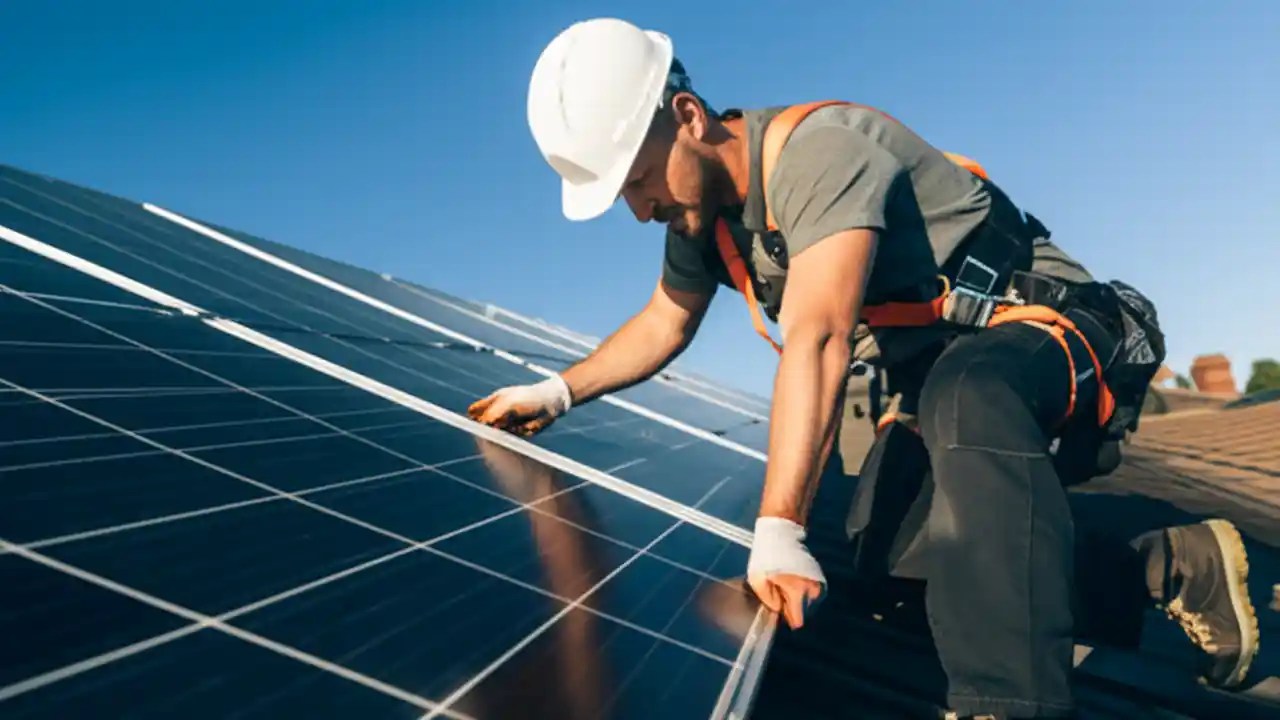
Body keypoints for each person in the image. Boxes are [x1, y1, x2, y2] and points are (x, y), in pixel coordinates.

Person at [467, 17, 1260, 719]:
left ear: (687, 117)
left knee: (965, 395)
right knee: (886, 568)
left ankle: (1012, 701)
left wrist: (776, 527)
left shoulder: (821, 151)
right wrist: (560, 389)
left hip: (1061, 334)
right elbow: (664, 322)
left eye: (638, 181)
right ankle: (1168, 564)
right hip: (941, 381)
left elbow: (818, 335)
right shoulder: (703, 222)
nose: (639, 210)